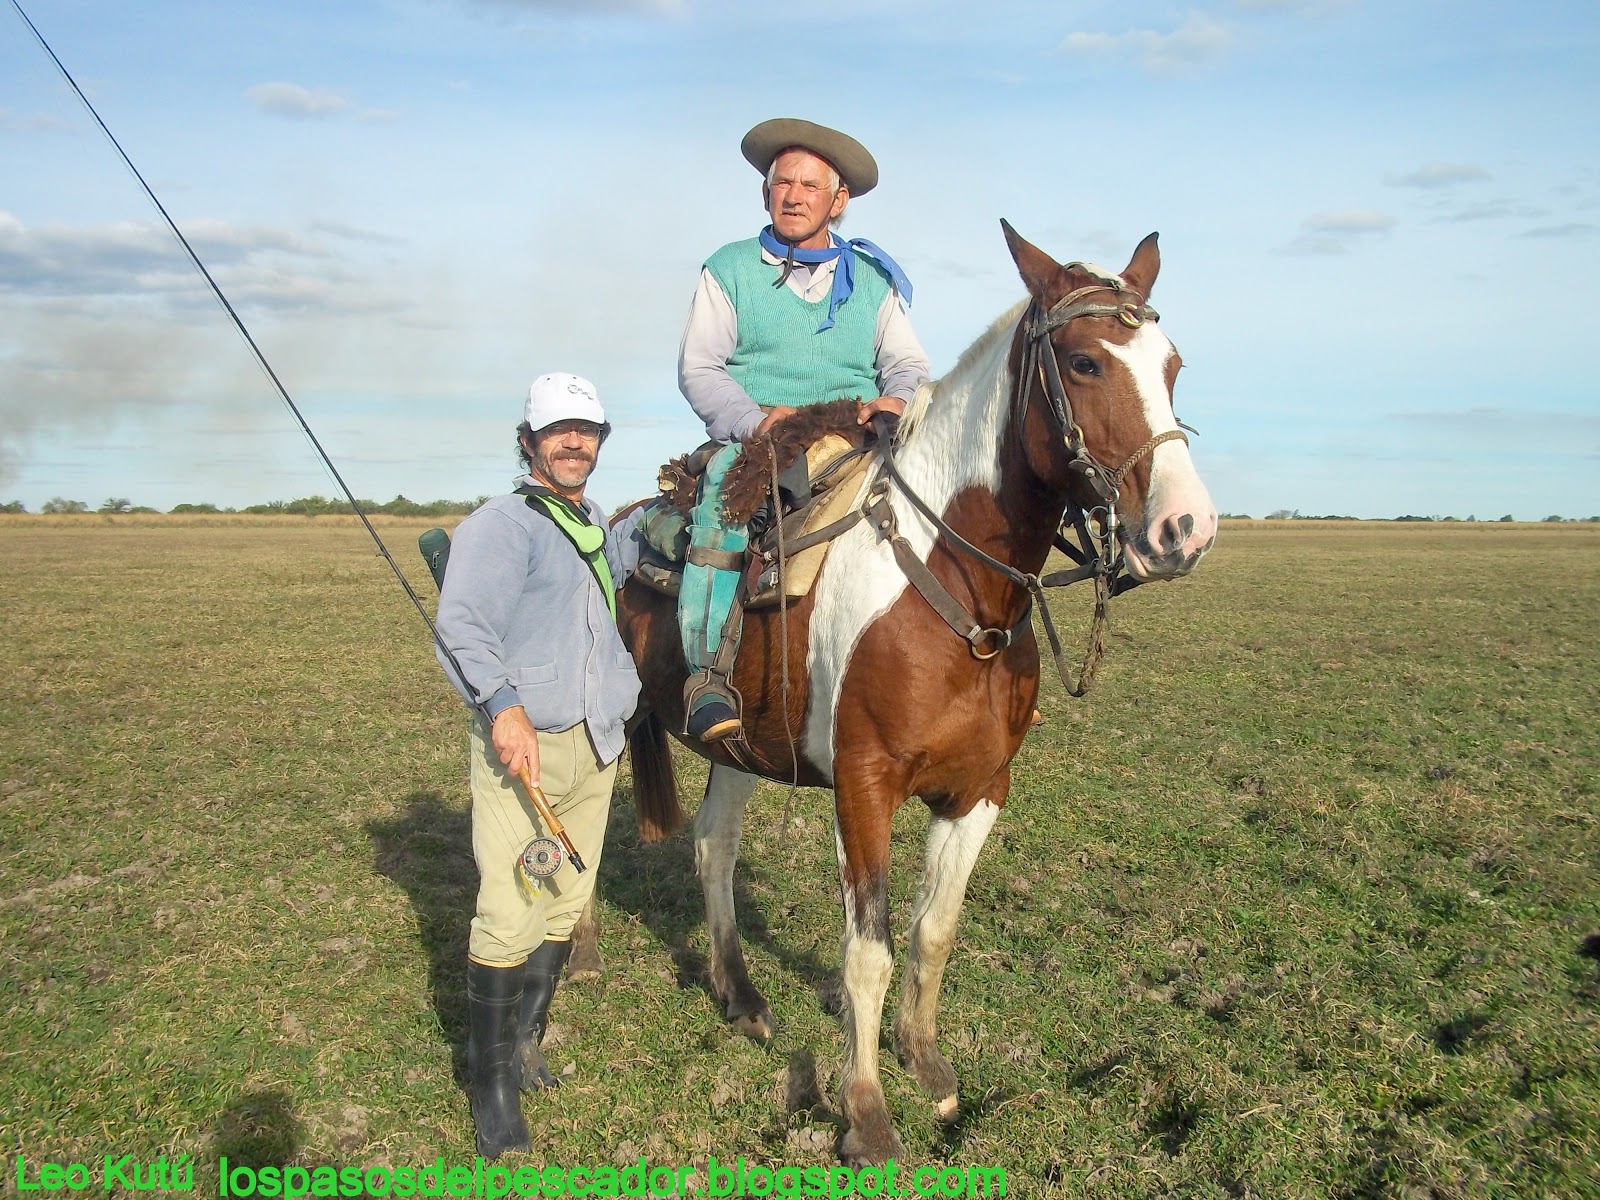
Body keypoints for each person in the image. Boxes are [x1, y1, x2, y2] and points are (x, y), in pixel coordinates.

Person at [433, 373, 640, 1159]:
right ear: (528, 442)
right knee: (512, 903)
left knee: (564, 899)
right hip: (529, 749)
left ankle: (526, 1045)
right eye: (559, 430)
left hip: (596, 743)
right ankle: (489, 1088)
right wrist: (504, 708)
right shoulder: (505, 523)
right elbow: (461, 627)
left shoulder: (585, 524)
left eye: (587, 430)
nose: (574, 442)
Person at [676, 117, 930, 742]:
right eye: (781, 182)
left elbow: (907, 363)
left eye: (809, 186)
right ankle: (706, 674)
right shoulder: (728, 268)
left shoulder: (874, 279)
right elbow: (699, 366)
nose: (793, 195)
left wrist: (896, 400)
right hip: (763, 435)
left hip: (855, 433)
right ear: (766, 194)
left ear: (837, 201)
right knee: (720, 498)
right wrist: (756, 419)